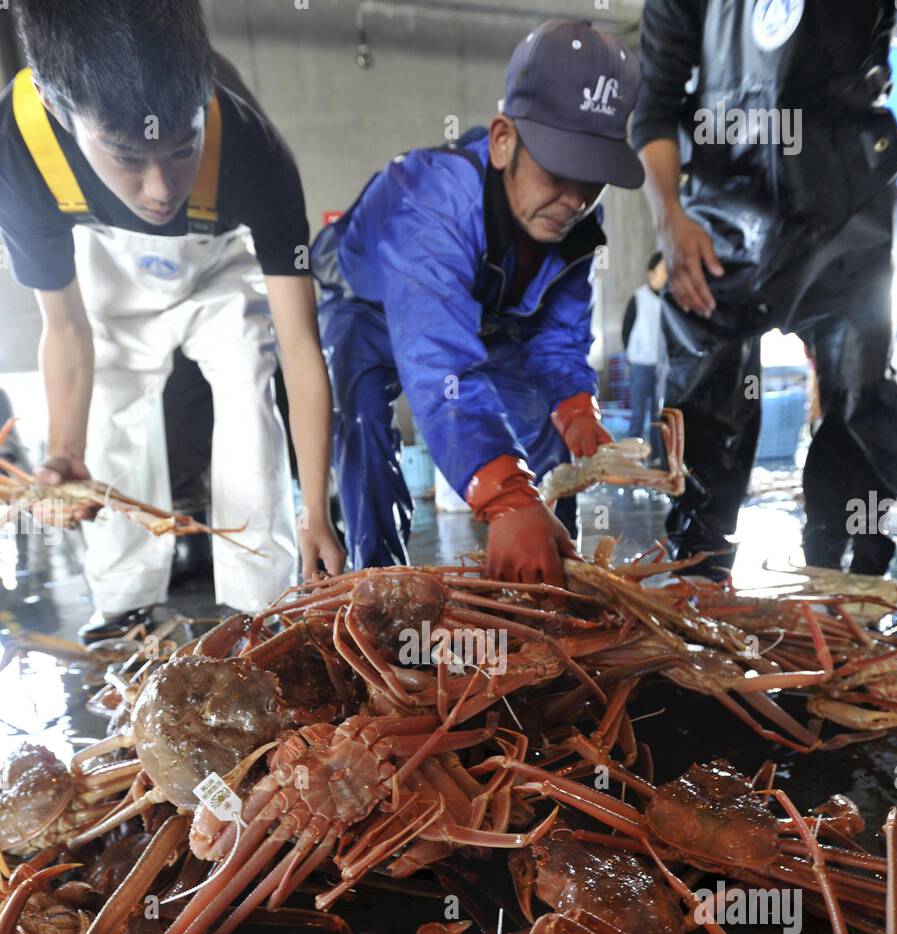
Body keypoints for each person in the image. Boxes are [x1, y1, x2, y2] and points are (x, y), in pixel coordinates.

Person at [0, 0, 344, 641]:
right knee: (113, 410)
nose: (161, 187)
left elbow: (300, 347)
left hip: (217, 272)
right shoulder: (18, 148)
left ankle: (260, 604)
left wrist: (317, 508)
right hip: (111, 277)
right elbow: (68, 329)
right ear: (57, 107)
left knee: (248, 384)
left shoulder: (253, 149)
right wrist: (64, 454)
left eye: (183, 149)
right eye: (128, 158)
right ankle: (124, 604)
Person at [310, 19, 644, 586]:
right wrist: (504, 498)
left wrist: (573, 402)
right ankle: (379, 586)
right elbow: (441, 362)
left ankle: (556, 580)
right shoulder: (432, 205)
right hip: (367, 309)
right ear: (502, 140)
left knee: (547, 433)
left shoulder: (575, 218)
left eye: (593, 178)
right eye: (560, 169)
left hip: (481, 318)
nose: (574, 200)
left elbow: (557, 336)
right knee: (362, 417)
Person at [632, 0, 897, 576]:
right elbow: (654, 107)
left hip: (846, 209)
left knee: (859, 400)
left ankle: (845, 587)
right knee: (704, 406)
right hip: (723, 216)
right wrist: (669, 219)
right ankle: (699, 586)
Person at [622, 250, 667, 449]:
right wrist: (632, 357)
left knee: (659, 415)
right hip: (640, 365)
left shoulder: (669, 301)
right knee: (638, 414)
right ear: (651, 272)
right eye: (663, 269)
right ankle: (633, 460)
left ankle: (657, 457)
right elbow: (626, 330)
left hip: (662, 367)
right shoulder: (638, 298)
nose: (667, 274)